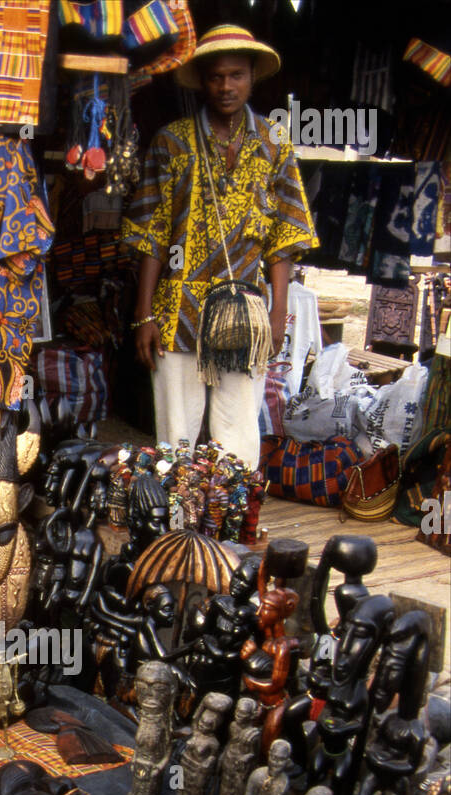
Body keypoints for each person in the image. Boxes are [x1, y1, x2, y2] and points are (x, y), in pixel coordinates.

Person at [123, 25, 318, 469]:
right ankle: (177, 533)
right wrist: (145, 314)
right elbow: (152, 235)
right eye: (216, 76)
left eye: (236, 75)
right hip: (178, 309)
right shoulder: (171, 143)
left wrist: (278, 315)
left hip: (246, 312)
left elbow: (284, 239)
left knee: (238, 437)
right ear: (203, 81)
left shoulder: (274, 145)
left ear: (252, 77)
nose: (226, 86)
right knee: (175, 437)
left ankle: (229, 535)